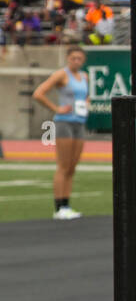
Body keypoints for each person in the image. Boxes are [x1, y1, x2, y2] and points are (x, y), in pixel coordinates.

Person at [31, 45, 91, 220]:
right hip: (65, 122)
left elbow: (85, 96)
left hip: (80, 121)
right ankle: (59, 207)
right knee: (63, 165)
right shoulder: (61, 75)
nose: (76, 61)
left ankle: (67, 204)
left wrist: (86, 103)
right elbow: (39, 93)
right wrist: (56, 108)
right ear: (68, 58)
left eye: (79, 58)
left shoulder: (84, 76)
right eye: (73, 58)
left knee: (72, 166)